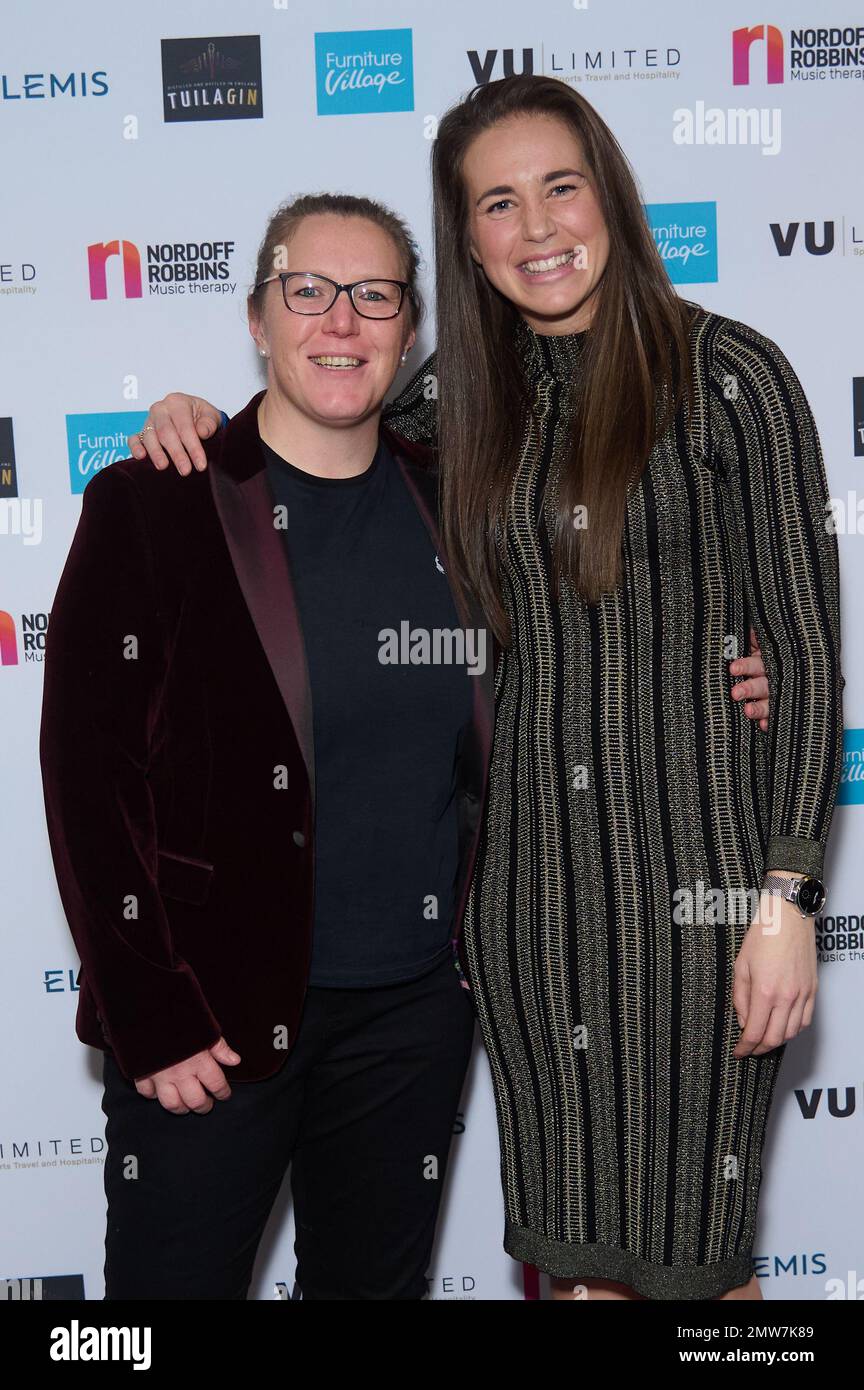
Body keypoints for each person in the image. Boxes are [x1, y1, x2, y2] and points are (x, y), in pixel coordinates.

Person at [129, 71, 806, 1302]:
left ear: (611, 194)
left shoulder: (732, 376)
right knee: (578, 1267)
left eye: (561, 187)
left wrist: (787, 895)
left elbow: (804, 654)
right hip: (525, 919)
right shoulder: (455, 410)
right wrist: (191, 421)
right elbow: (311, 427)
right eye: (498, 204)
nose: (537, 227)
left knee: (700, 1272)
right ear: (467, 241)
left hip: (701, 903)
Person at [40, 194, 492, 1301]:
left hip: (411, 1018)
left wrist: (735, 677)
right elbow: (88, 784)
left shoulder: (461, 502)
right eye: (308, 290)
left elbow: (576, 668)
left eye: (374, 293)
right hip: (211, 1024)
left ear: (409, 326)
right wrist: (153, 1018)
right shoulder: (156, 502)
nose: (341, 319)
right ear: (258, 318)